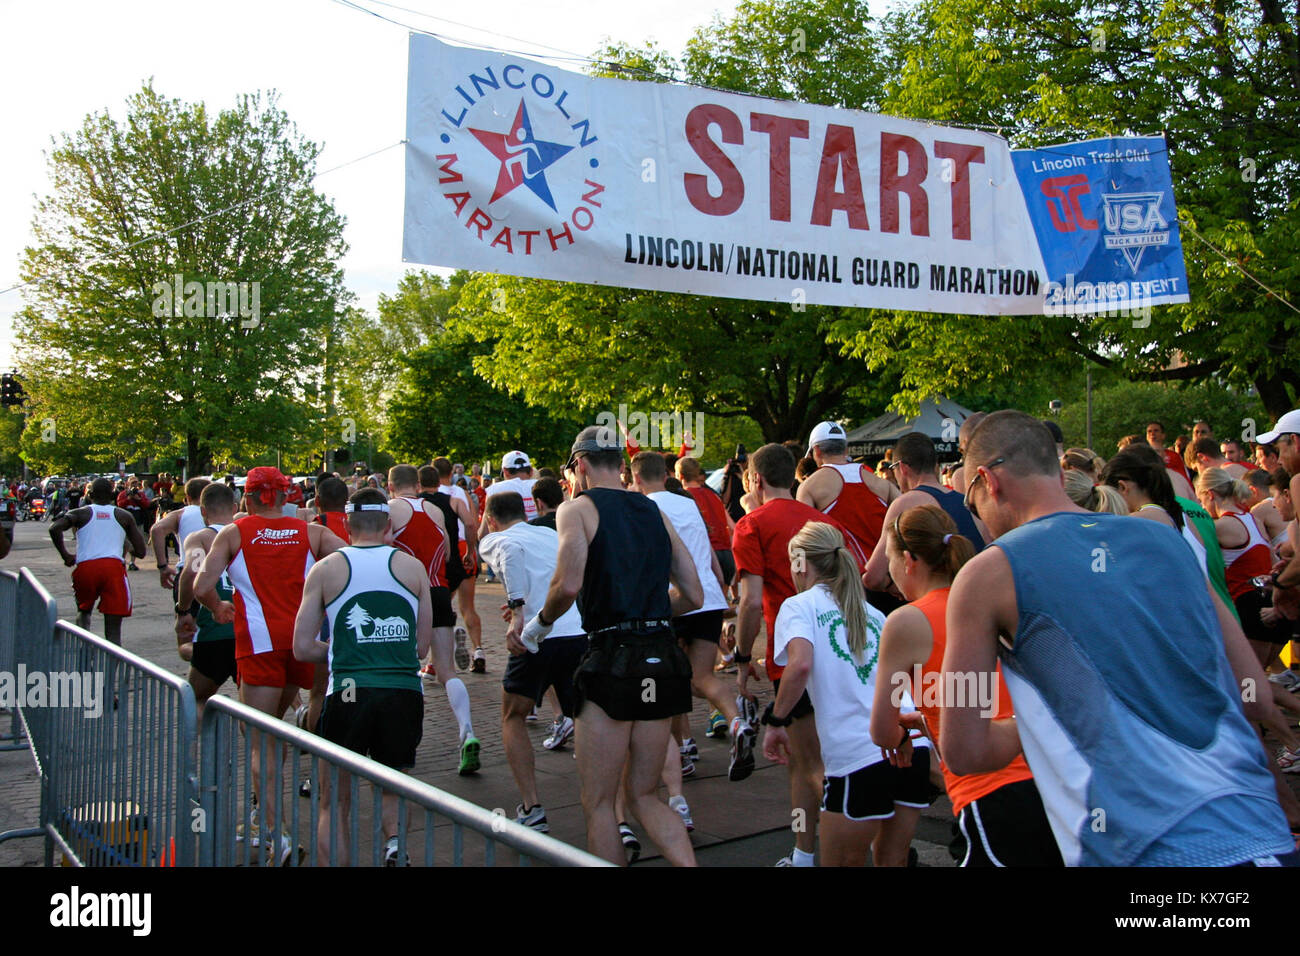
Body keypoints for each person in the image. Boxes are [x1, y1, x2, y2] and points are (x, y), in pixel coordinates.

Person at [943, 410, 1295, 866]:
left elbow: (963, 748)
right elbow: (1255, 698)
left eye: (971, 508)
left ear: (988, 482)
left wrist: (1053, 718)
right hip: (1260, 832)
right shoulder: (1166, 540)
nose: (979, 524)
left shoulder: (988, 574)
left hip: (1143, 850)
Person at [520, 425, 703, 866]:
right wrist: (651, 613)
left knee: (599, 802)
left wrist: (537, 627)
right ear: (621, 465)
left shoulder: (576, 509)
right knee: (644, 795)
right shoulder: (652, 509)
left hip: (611, 660)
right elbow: (695, 595)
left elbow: (568, 584)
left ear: (580, 465)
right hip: (662, 659)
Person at [870, 505, 1060, 866]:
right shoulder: (985, 600)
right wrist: (927, 722)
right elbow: (982, 694)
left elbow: (881, 729)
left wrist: (900, 738)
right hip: (1047, 772)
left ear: (909, 560)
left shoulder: (906, 621)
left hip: (990, 788)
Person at [192, 466, 346, 861]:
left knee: (261, 741)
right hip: (303, 644)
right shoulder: (312, 531)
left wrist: (218, 607)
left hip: (258, 646)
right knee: (276, 730)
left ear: (249, 497)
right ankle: (275, 812)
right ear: (285, 495)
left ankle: (275, 833)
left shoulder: (233, 533)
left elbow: (201, 585)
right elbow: (352, 563)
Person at [762, 520, 928, 866]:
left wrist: (776, 719)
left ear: (800, 564)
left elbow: (800, 666)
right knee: (891, 860)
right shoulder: (874, 614)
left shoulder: (798, 606)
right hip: (910, 747)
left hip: (858, 755)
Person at [733, 443, 864, 866]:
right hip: (841, 645)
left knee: (809, 765)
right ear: (793, 476)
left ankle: (857, 845)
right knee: (822, 758)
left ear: (754, 479)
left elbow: (750, 601)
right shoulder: (824, 520)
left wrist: (739, 656)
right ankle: (808, 850)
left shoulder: (752, 523)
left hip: (792, 653)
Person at [292, 487, 433, 867]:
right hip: (402, 690)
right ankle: (393, 845)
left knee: (333, 799)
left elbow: (302, 647)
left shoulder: (325, 569)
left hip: (349, 690)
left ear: (346, 523)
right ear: (388, 524)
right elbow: (421, 649)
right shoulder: (412, 567)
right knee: (393, 782)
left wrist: (344, 650)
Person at [630, 452, 754, 781]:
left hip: (672, 600)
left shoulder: (643, 508)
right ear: (667, 474)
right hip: (708, 597)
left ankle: (683, 746)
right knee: (701, 677)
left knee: (667, 679)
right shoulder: (687, 504)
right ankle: (737, 721)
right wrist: (723, 588)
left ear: (637, 478)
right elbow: (709, 554)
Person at [478, 491, 588, 832]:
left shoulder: (496, 539)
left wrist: (518, 610)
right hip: (575, 632)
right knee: (585, 718)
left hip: (538, 637)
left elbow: (509, 554)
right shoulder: (549, 533)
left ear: (491, 519)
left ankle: (531, 806)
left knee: (513, 716)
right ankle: (610, 809)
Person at [387, 464, 479, 774]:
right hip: (438, 592)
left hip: (406, 596)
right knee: (447, 671)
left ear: (390, 485)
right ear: (416, 484)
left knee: (406, 669)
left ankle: (405, 740)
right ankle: (467, 731)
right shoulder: (436, 511)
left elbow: (383, 551)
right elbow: (450, 555)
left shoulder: (390, 510)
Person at [863, 431, 988, 592]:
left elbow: (873, 578)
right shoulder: (967, 501)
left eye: (893, 468)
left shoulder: (905, 503)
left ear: (902, 467)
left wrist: (895, 587)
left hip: (935, 607)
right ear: (934, 465)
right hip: (977, 596)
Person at [49, 477, 147, 644]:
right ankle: (109, 667)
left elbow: (54, 528)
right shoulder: (124, 515)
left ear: (89, 494)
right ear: (112, 494)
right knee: (114, 629)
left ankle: (83, 651)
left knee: (83, 611)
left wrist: (66, 555)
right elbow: (141, 552)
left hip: (87, 567)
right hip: (113, 568)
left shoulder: (81, 513)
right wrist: (123, 542)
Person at [173, 482, 239, 718]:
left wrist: (183, 611)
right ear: (235, 507)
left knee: (197, 699)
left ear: (202, 511)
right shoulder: (248, 534)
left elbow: (191, 570)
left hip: (215, 627)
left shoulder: (200, 538)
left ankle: (193, 752)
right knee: (258, 712)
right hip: (250, 630)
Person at [424, 461, 482, 672]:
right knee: (469, 607)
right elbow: (472, 520)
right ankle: (478, 651)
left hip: (442, 552)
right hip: (464, 547)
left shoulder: (427, 497)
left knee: (439, 609)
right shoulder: (459, 493)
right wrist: (471, 550)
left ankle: (433, 663)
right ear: (452, 472)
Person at [149, 477, 210, 591]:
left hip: (188, 569)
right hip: (215, 572)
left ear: (187, 497)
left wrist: (163, 567)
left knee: (185, 608)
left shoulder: (180, 514)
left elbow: (156, 530)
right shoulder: (221, 513)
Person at [479, 451, 538, 533]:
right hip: (543, 541)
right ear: (531, 471)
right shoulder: (543, 486)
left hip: (507, 541)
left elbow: (484, 532)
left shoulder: (495, 489)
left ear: (505, 472)